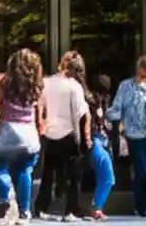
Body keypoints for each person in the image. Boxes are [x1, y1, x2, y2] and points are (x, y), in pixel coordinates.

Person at [0, 49, 45, 226]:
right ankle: (25, 212)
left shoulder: (2, 82)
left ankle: (8, 197)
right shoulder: (37, 85)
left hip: (7, 133)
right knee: (25, 171)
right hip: (29, 135)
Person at [34, 51, 90, 223]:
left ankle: (41, 208)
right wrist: (86, 137)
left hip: (51, 134)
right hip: (69, 134)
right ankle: (70, 210)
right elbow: (82, 113)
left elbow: (39, 107)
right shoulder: (74, 86)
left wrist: (41, 124)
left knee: (49, 173)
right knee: (72, 176)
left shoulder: (46, 82)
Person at [107, 54, 146, 217]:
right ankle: (141, 206)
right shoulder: (127, 86)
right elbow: (117, 107)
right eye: (144, 66)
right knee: (143, 171)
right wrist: (111, 118)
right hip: (134, 134)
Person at [84, 75, 116, 221]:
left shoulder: (105, 102)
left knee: (106, 176)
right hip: (95, 141)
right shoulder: (91, 103)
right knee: (107, 176)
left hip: (102, 141)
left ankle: (97, 207)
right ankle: (96, 207)